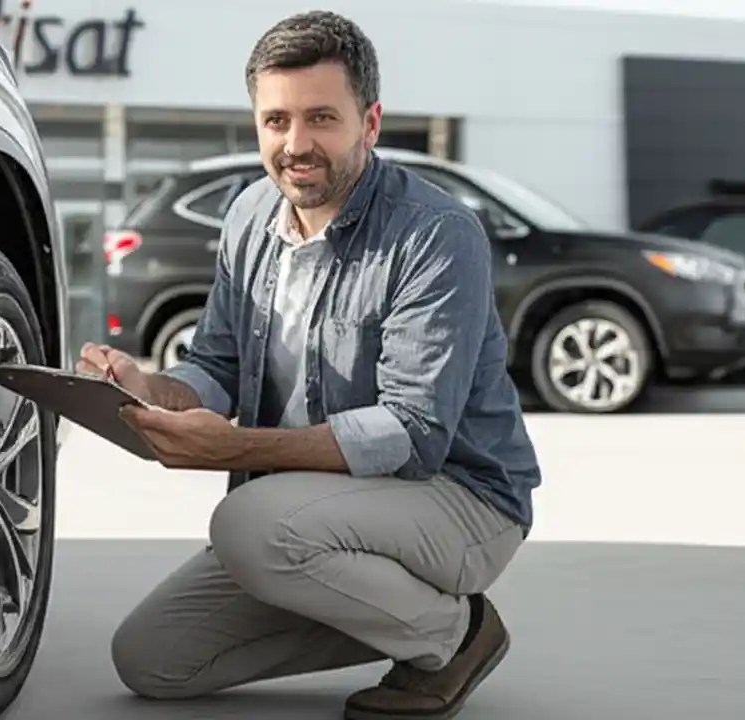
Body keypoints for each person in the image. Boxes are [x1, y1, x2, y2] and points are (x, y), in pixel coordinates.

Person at [76, 9, 542, 720]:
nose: (296, 145)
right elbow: (218, 365)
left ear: (371, 122)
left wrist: (236, 450)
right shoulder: (248, 216)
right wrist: (154, 391)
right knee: (152, 659)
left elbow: (415, 435)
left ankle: (455, 633)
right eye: (276, 121)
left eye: (322, 118)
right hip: (314, 515)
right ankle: (380, 606)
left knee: (246, 524)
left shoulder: (436, 234)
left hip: (461, 500)